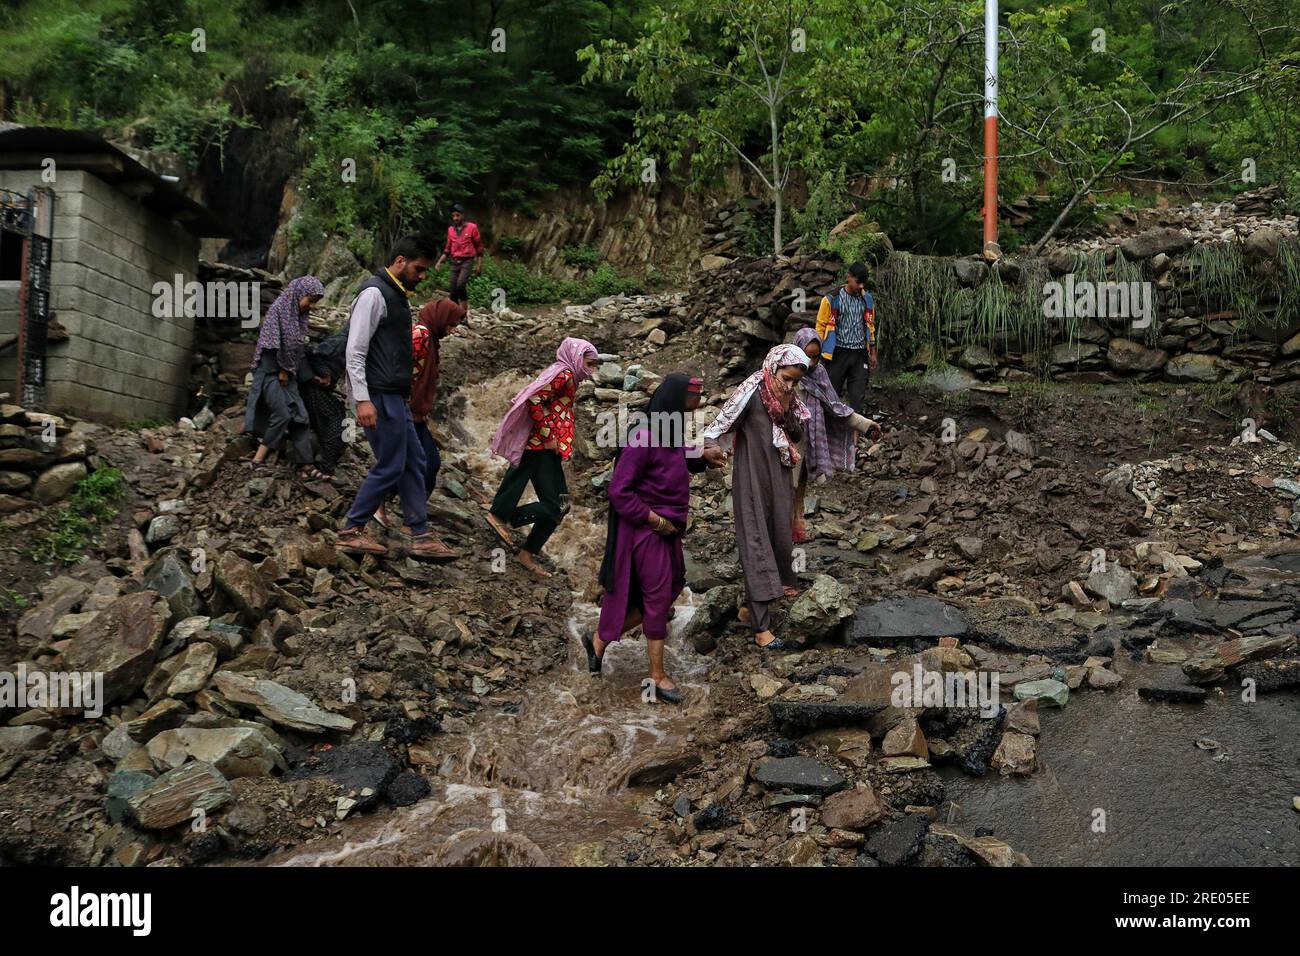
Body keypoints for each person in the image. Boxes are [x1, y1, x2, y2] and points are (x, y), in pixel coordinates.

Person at [581, 374, 728, 703]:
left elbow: (673, 457)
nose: (697, 407)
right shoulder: (644, 437)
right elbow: (619, 490)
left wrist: (701, 455)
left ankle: (600, 640)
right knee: (658, 598)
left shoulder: (666, 429)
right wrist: (655, 520)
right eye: (693, 402)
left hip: (667, 530)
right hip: (647, 531)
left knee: (665, 592)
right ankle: (657, 677)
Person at [336, 235, 457, 561]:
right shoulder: (374, 294)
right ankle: (351, 530)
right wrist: (361, 399)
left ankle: (420, 534)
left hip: (393, 397)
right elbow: (355, 350)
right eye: (418, 269)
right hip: (378, 395)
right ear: (400, 261)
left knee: (415, 461)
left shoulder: (396, 297)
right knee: (391, 464)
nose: (422, 276)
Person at [703, 344, 811, 649]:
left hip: (778, 475)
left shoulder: (789, 398)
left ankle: (749, 610)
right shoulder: (751, 391)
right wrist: (711, 449)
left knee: (779, 535)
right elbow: (719, 426)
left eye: (795, 381)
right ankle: (761, 630)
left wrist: (788, 405)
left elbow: (798, 434)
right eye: (786, 378)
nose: (789, 385)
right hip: (751, 476)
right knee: (756, 540)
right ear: (773, 368)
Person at [486, 337, 599, 577]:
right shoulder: (565, 375)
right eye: (588, 363)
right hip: (540, 447)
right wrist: (548, 435)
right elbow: (534, 399)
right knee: (556, 503)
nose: (591, 370)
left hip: (545, 449)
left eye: (594, 365)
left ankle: (526, 550)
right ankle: (503, 517)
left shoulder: (565, 374)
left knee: (561, 504)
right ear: (576, 358)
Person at [375, 299, 467, 530]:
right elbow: (397, 372)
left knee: (429, 463)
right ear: (441, 319)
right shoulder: (421, 337)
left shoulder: (432, 340)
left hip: (415, 415)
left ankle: (409, 517)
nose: (452, 330)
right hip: (402, 412)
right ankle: (383, 507)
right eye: (451, 324)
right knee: (408, 462)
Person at [790, 327, 882, 542]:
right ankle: (778, 534)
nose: (811, 362)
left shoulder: (819, 374)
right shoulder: (788, 374)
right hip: (787, 442)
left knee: (799, 488)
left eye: (816, 357)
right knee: (787, 487)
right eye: (807, 356)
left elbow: (835, 407)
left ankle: (795, 528)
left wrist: (866, 425)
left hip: (809, 443)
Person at [245, 276, 323, 477]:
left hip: (288, 374)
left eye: (315, 302)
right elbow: (272, 344)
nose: (311, 306)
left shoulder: (298, 317)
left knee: (301, 417)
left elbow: (297, 350)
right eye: (310, 299)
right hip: (271, 373)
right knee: (283, 414)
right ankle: (257, 459)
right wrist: (281, 369)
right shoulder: (279, 310)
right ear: (299, 293)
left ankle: (306, 464)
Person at [815, 261, 877, 414]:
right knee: (831, 395)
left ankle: (854, 438)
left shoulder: (867, 299)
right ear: (849, 277)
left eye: (864, 283)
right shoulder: (831, 299)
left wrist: (873, 352)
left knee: (857, 398)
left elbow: (870, 326)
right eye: (858, 282)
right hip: (837, 353)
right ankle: (829, 432)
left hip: (860, 354)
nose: (861, 286)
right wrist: (817, 354)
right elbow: (820, 327)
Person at [297, 325, 349, 480]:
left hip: (318, 389)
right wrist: (324, 375)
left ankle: (323, 465)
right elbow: (313, 353)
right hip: (313, 389)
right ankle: (323, 468)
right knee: (336, 424)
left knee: (338, 422)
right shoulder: (342, 341)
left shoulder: (346, 341)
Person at [434, 204, 483, 307]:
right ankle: (456, 314)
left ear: (463, 215)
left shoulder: (472, 227)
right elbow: (447, 249)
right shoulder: (451, 230)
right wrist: (439, 262)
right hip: (454, 261)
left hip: (467, 261)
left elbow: (479, 247)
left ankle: (464, 314)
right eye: (454, 216)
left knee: (460, 285)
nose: (455, 218)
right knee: (453, 289)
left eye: (458, 215)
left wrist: (479, 265)